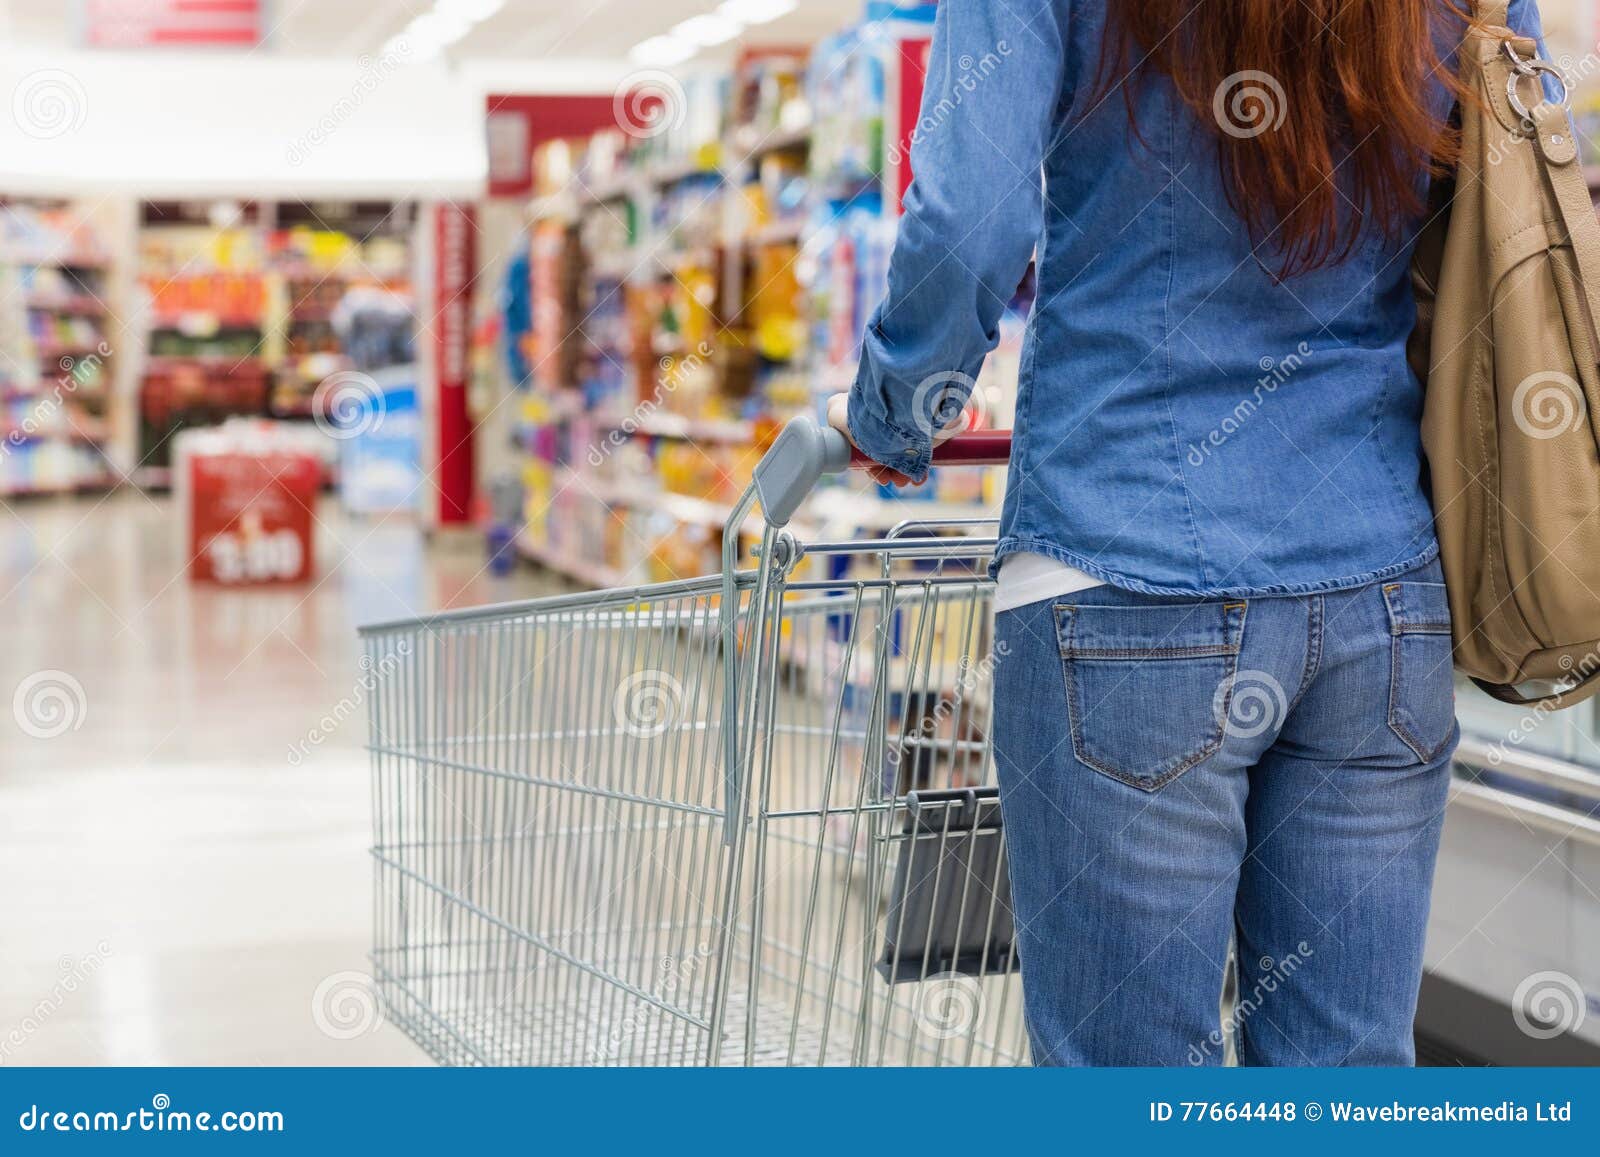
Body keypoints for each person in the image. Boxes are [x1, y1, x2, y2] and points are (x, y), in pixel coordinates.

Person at [827, 0, 1552, 1066]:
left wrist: (895, 413)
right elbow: (1505, 203)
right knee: (1348, 1071)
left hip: (1123, 564)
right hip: (1381, 582)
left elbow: (968, 219)